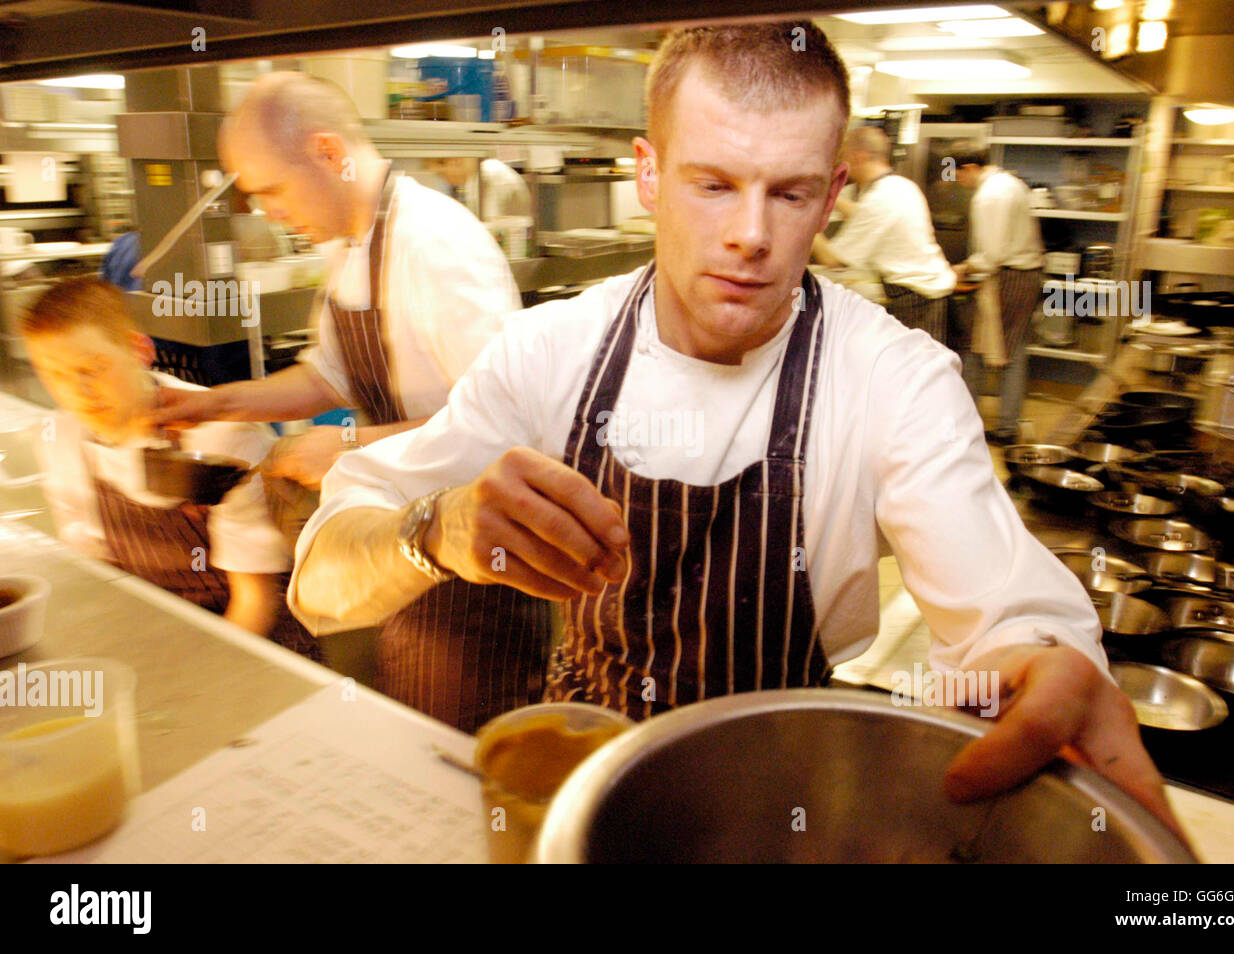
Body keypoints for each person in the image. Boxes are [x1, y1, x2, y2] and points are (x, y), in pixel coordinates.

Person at [289, 22, 1183, 837]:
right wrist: (431, 529)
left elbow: (1004, 616)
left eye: (789, 194)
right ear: (648, 174)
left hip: (792, 800)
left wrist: (1040, 661)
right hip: (583, 771)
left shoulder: (892, 380)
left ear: (833, 194)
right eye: (713, 185)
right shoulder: (548, 352)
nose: (751, 236)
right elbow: (321, 584)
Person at [148, 72, 551, 733]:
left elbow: (511, 423)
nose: (268, 213)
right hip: (402, 538)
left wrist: (345, 444)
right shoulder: (350, 245)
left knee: (461, 745)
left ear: (330, 153)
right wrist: (215, 405)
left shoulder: (436, 244)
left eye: (271, 190)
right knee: (410, 724)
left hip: (478, 560)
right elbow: (327, 378)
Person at [21, 277, 319, 660]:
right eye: (56, 376)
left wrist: (195, 683)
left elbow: (256, 599)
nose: (80, 393)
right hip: (157, 636)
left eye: (93, 369)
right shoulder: (59, 436)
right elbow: (100, 573)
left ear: (139, 349)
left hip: (255, 645)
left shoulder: (219, 437)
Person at [812, 125, 955, 345]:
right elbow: (864, 215)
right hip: (927, 295)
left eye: (844, 156)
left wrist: (805, 221)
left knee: (912, 375)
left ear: (859, 156)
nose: (841, 165)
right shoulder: (900, 186)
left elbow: (832, 260)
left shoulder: (881, 198)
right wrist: (829, 199)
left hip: (916, 300)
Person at [950, 141, 1045, 445]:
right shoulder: (1009, 182)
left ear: (969, 168)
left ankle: (992, 426)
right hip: (1026, 275)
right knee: (1010, 349)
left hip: (1011, 278)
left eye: (957, 174)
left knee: (987, 350)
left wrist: (962, 268)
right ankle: (1002, 423)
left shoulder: (989, 196)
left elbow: (992, 254)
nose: (958, 182)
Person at [425, 156, 532, 220]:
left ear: (454, 161)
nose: (446, 181)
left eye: (442, 174)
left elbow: (490, 226)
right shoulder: (474, 180)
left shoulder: (489, 173)